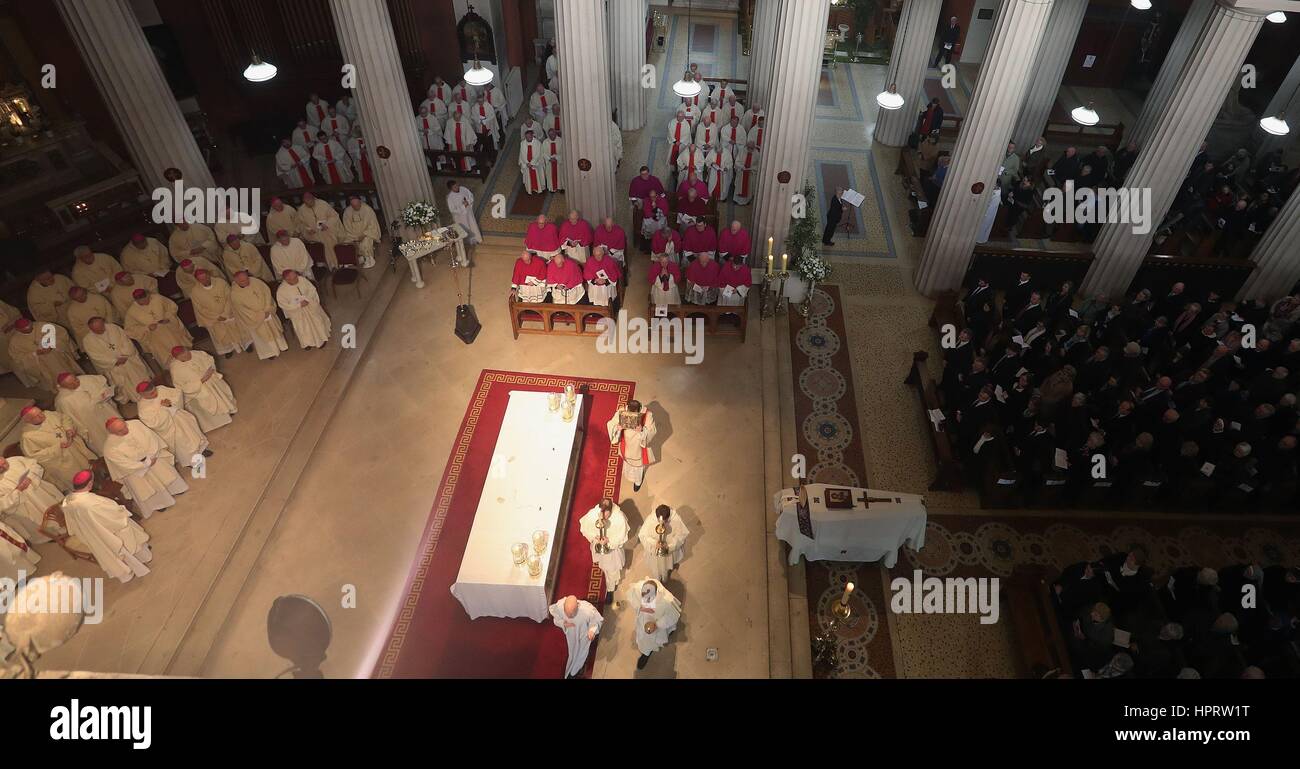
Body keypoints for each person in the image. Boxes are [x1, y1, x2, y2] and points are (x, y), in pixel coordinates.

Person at [62, 470, 152, 584]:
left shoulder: (68, 500)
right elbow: (113, 518)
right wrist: (121, 510)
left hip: (90, 533)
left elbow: (72, 523)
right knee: (124, 540)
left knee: (109, 554)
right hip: (107, 532)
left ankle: (128, 572)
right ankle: (141, 559)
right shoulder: (91, 503)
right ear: (90, 483)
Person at [102, 417, 188, 519]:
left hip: (151, 457)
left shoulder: (135, 424)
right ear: (111, 432)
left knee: (163, 471)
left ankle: (176, 489)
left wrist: (151, 456)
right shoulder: (109, 448)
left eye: (125, 426)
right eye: (120, 430)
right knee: (144, 487)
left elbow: (151, 438)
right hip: (134, 469)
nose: (126, 430)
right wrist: (144, 465)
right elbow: (123, 464)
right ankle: (159, 503)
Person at [19, 406, 97, 493]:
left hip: (75, 449)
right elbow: (35, 456)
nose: (42, 416)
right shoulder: (28, 436)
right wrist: (57, 448)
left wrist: (68, 429)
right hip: (62, 462)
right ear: (28, 420)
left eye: (40, 412)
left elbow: (64, 418)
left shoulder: (48, 414)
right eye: (37, 416)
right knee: (81, 482)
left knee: (92, 469)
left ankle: (102, 483)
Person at [136, 381, 211, 469]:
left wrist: (170, 403)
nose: (155, 393)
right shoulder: (143, 408)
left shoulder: (160, 388)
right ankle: (191, 461)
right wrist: (164, 408)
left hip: (180, 417)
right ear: (142, 394)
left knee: (193, 434)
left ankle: (201, 450)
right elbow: (153, 423)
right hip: (169, 428)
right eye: (151, 394)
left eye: (155, 390)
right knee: (183, 443)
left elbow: (177, 394)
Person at [81, 317, 151, 404]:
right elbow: (96, 357)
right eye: (97, 330)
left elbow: (126, 341)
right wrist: (114, 361)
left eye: (101, 327)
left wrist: (125, 355)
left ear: (104, 323)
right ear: (90, 329)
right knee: (124, 384)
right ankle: (133, 397)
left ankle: (147, 391)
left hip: (128, 359)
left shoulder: (114, 328)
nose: (101, 331)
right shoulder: (88, 340)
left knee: (137, 376)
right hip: (114, 366)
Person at [169, 346, 238, 431]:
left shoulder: (196, 353)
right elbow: (181, 386)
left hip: (211, 379)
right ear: (178, 358)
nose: (189, 355)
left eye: (187, 352)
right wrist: (201, 381)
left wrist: (210, 370)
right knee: (209, 397)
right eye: (184, 356)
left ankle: (229, 407)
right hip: (197, 389)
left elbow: (209, 359)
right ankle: (223, 416)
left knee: (220, 391)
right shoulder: (176, 369)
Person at [8, 318, 83, 393]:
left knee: (70, 374)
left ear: (31, 322)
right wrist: (35, 354)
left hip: (57, 356)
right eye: (26, 330)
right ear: (18, 330)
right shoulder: (15, 342)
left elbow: (62, 334)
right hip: (42, 364)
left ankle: (77, 382)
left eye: (30, 327)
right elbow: (18, 358)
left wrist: (51, 345)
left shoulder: (44, 326)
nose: (30, 330)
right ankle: (62, 392)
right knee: (54, 380)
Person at [0, 454, 62, 544]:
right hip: (25, 504)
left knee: (59, 508)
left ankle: (69, 523)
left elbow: (35, 465)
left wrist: (30, 478)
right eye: (1, 467)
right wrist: (18, 490)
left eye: (4, 463)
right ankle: (56, 535)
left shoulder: (15, 460)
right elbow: (2, 504)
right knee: (45, 520)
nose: (5, 466)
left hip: (41, 490)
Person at [54, 373, 120, 455]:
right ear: (64, 387)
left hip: (105, 413)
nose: (77, 383)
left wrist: (104, 394)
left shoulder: (85, 379)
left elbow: (100, 388)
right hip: (91, 425)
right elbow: (69, 418)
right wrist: (83, 431)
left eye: (75, 379)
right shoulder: (63, 400)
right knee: (104, 440)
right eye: (72, 384)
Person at [191, 270, 251, 359]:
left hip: (229, 312)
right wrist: (217, 317)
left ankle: (246, 345)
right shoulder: (195, 292)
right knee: (222, 334)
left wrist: (225, 314)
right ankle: (228, 349)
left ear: (209, 274)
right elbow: (200, 309)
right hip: (213, 318)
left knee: (238, 329)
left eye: (206, 277)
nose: (205, 280)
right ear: (197, 280)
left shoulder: (220, 282)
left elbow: (229, 296)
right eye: (202, 279)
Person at [579, 497, 630, 600]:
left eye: (607, 513)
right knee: (604, 568)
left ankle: (610, 590)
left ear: (611, 510)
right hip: (599, 546)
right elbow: (584, 528)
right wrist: (594, 537)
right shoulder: (594, 513)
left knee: (611, 570)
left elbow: (621, 538)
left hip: (612, 551)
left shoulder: (619, 518)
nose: (604, 516)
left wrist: (609, 542)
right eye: (602, 513)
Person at [124, 289, 193, 365]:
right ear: (136, 300)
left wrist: (167, 317)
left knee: (185, 352)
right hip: (156, 338)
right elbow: (129, 330)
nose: (146, 302)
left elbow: (172, 307)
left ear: (148, 295)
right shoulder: (132, 312)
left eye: (147, 299)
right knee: (170, 360)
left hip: (171, 330)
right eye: (142, 301)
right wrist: (147, 328)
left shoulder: (158, 298)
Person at [230, 271, 289, 360]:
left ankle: (282, 346)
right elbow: (242, 310)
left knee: (274, 331)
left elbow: (267, 293)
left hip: (267, 312)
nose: (247, 282)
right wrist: (261, 315)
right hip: (255, 319)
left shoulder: (256, 282)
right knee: (263, 336)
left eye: (247, 279)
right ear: (236, 281)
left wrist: (267, 309)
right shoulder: (234, 294)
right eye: (243, 281)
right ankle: (270, 353)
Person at [628, 577, 682, 670]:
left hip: (657, 625)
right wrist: (639, 607)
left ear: (656, 593)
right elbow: (633, 597)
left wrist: (656, 625)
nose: (646, 601)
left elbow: (672, 616)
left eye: (649, 599)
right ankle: (646, 651)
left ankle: (646, 653)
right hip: (643, 619)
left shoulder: (666, 601)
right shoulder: (639, 587)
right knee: (642, 637)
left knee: (652, 639)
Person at [548, 595, 602, 679]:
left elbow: (596, 620)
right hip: (571, 632)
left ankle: (574, 672)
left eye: (572, 614)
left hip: (584, 634)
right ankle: (569, 669)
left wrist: (592, 631)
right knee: (572, 652)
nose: (569, 617)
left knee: (582, 652)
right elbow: (555, 616)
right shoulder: (560, 605)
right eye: (567, 614)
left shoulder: (587, 610)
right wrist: (563, 623)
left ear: (578, 605)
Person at [607, 399, 657, 491]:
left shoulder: (647, 414)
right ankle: (630, 475)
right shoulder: (621, 411)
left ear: (638, 410)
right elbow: (610, 424)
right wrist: (618, 428)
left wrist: (642, 430)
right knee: (628, 465)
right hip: (626, 444)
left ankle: (638, 481)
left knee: (637, 468)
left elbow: (652, 431)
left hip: (638, 447)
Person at [276, 270, 332, 350]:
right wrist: (298, 305)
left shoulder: (302, 279)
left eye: (296, 276)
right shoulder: (281, 290)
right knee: (303, 329)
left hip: (310, 305)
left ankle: (321, 340)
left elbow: (312, 289)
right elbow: (283, 304)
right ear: (286, 280)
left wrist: (307, 299)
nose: (297, 279)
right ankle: (307, 343)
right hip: (297, 312)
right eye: (294, 278)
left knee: (317, 322)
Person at [638, 504, 690, 581]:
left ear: (668, 517)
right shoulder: (650, 519)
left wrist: (669, 546)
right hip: (655, 551)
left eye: (664, 521)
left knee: (666, 565)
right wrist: (654, 543)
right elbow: (643, 535)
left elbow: (681, 536)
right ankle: (657, 579)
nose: (661, 523)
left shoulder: (676, 519)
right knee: (656, 567)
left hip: (668, 551)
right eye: (659, 520)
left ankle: (665, 576)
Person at [298, 192, 343, 271]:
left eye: (310, 200)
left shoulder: (323, 204)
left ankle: (339, 263)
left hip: (328, 232)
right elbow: (300, 224)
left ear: (313, 198)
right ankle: (329, 266)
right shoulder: (301, 210)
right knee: (322, 249)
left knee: (332, 247)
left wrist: (327, 224)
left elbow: (334, 216)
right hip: (315, 235)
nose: (309, 203)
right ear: (303, 201)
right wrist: (308, 229)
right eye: (306, 202)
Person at [445, 181, 482, 246]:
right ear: (451, 189)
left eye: (457, 185)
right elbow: (452, 210)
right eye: (455, 187)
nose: (457, 187)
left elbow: (471, 196)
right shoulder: (450, 197)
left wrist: (468, 201)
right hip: (460, 217)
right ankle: (467, 243)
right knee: (465, 228)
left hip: (468, 212)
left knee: (472, 225)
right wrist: (463, 206)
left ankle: (476, 239)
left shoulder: (463, 189)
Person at [519, 128, 546, 194]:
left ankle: (539, 188)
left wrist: (532, 163)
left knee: (537, 177)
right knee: (528, 178)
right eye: (526, 137)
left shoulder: (537, 143)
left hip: (536, 164)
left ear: (532, 136)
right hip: (527, 164)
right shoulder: (522, 143)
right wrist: (527, 163)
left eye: (529, 137)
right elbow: (522, 154)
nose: (528, 138)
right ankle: (530, 188)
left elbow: (538, 154)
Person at [733, 141, 760, 205]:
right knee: (739, 187)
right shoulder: (742, 151)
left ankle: (747, 201)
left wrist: (752, 168)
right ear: (747, 146)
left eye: (752, 148)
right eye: (749, 148)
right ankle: (737, 200)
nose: (750, 150)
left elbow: (758, 164)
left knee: (749, 188)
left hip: (750, 173)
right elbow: (737, 162)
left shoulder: (757, 153)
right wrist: (741, 166)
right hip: (741, 172)